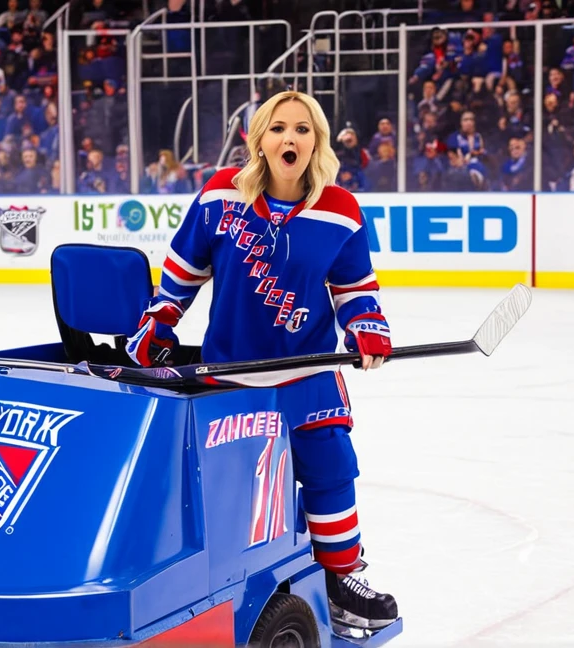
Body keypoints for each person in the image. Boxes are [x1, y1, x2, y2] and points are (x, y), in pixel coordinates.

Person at [125, 90, 398, 630]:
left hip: (308, 372)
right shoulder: (220, 195)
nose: (289, 138)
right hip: (233, 376)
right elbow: (183, 271)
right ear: (258, 139)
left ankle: (341, 579)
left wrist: (366, 327)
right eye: (277, 128)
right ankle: (220, 587)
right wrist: (160, 318)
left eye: (301, 129)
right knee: (233, 485)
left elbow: (354, 289)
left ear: (315, 140)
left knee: (330, 470)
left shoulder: (339, 209)